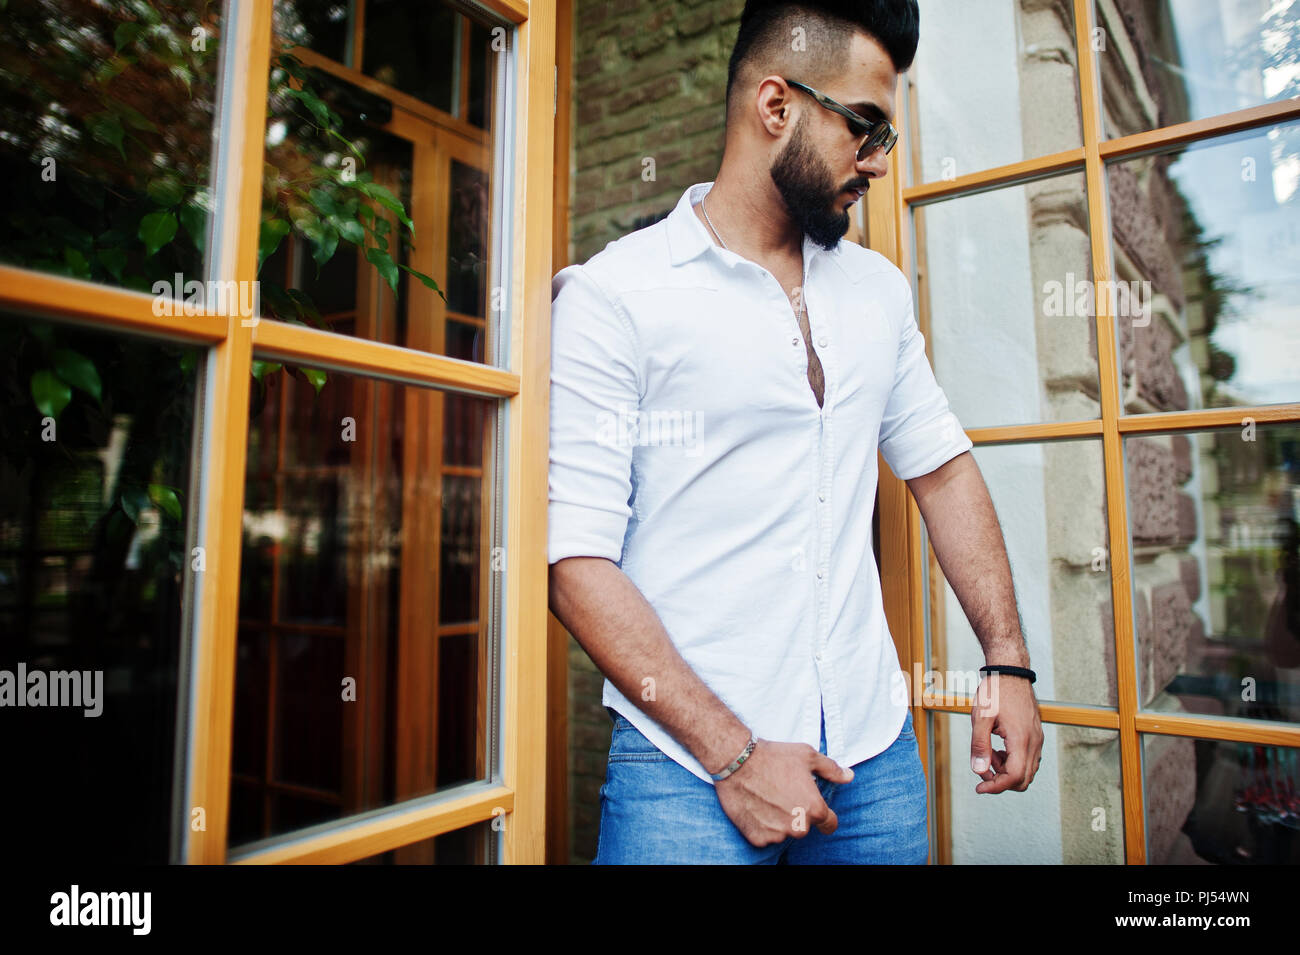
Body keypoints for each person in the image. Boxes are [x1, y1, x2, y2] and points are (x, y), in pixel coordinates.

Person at [547, 0, 1044, 864]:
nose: (879, 163)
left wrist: (1008, 660)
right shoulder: (612, 296)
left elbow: (943, 470)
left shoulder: (877, 293)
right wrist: (733, 754)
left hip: (872, 758)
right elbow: (575, 562)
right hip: (683, 775)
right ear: (775, 107)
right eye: (867, 128)